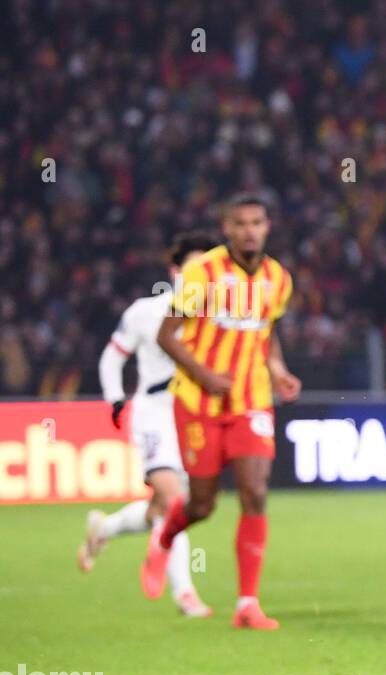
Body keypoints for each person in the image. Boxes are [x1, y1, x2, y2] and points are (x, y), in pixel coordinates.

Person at [141, 195, 301, 629]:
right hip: (199, 402)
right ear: (227, 229)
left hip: (251, 399)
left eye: (256, 223)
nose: (249, 231)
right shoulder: (203, 273)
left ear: (267, 227)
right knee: (202, 504)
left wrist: (278, 370)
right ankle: (165, 536)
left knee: (255, 492)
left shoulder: (278, 279)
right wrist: (205, 376)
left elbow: (265, 332)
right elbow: (166, 335)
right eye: (240, 223)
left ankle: (247, 603)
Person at [79, 233, 215, 618]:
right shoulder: (146, 311)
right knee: (175, 502)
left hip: (194, 414)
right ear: (174, 272)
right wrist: (114, 397)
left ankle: (105, 528)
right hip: (156, 411)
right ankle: (185, 594)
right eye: (192, 267)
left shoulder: (219, 315)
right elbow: (112, 357)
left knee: (163, 511)